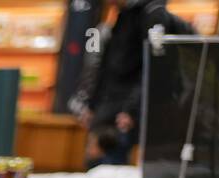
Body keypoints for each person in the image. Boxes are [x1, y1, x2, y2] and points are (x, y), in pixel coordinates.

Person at [78, 0, 193, 166]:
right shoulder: (125, 15)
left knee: (109, 170)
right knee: (96, 166)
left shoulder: (152, 13)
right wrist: (92, 104)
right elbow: (109, 66)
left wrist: (132, 109)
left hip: (123, 115)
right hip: (109, 109)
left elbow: (154, 66)